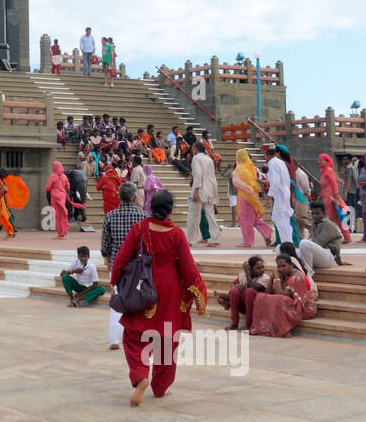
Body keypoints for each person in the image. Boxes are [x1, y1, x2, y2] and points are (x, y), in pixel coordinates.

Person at [108, 190, 206, 405]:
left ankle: (141, 376)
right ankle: (160, 388)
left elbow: (122, 257)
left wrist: (115, 280)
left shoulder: (140, 229)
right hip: (170, 292)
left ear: (150, 207)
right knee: (166, 341)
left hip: (144, 290)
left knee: (134, 338)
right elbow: (188, 268)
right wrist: (199, 293)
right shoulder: (177, 234)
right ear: (170, 210)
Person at [249, 248, 317, 338]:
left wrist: (276, 277)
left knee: (279, 299)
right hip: (287, 302)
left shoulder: (296, 276)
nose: (281, 269)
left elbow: (283, 295)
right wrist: (271, 278)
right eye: (279, 267)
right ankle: (264, 327)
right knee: (261, 296)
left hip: (300, 306)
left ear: (291, 265)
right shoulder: (283, 276)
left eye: (284, 266)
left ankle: (284, 330)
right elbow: (268, 292)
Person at [218, 256, 270, 330]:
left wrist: (247, 274)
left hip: (257, 306)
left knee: (249, 291)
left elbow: (253, 287)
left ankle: (249, 324)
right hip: (244, 305)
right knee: (234, 291)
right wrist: (237, 285)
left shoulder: (265, 277)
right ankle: (234, 324)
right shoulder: (242, 275)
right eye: (258, 268)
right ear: (251, 269)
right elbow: (236, 283)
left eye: (262, 267)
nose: (262, 270)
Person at [233, 148, 272, 248]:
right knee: (254, 218)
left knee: (245, 219)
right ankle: (266, 233)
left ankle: (248, 241)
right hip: (253, 196)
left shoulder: (240, 169)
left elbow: (236, 182)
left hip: (244, 196)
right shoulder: (252, 168)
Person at [186, 141, 221, 246]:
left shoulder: (196, 158)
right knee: (210, 215)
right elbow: (212, 176)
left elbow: (198, 174)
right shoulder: (208, 158)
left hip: (199, 189)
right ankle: (215, 239)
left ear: (196, 149)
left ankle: (191, 240)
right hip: (210, 188)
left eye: (193, 147)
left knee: (192, 215)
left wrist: (196, 190)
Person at [318, 153, 352, 243]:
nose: (319, 162)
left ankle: (336, 236)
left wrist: (336, 197)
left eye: (321, 160)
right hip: (327, 196)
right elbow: (326, 186)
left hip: (331, 197)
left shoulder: (328, 171)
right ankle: (346, 236)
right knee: (336, 218)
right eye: (319, 160)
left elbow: (334, 184)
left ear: (327, 161)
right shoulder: (324, 171)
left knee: (332, 217)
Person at [301, 201, 345, 269]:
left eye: (317, 213)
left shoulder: (328, 224)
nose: (314, 215)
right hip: (320, 255)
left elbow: (319, 244)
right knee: (283, 248)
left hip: (328, 257)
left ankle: (308, 273)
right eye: (313, 213)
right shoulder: (314, 223)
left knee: (304, 243)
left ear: (324, 214)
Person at [265, 145, 294, 245]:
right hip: (284, 193)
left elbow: (275, 182)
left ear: (267, 155)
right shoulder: (280, 162)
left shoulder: (273, 164)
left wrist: (269, 196)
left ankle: (286, 243)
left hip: (280, 194)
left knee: (280, 219)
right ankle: (286, 243)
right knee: (283, 219)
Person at [45, 161, 74, 239]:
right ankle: (63, 232)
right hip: (62, 197)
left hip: (55, 197)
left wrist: (53, 188)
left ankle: (60, 234)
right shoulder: (64, 176)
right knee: (62, 215)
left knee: (58, 216)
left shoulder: (53, 176)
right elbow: (68, 187)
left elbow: (47, 187)